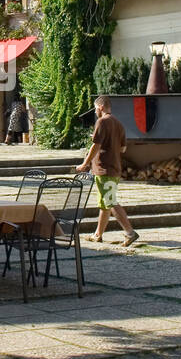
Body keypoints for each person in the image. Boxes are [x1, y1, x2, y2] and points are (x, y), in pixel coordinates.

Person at [76, 95, 139, 247]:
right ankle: (98, 234)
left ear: (101, 107)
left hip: (105, 169)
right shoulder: (118, 124)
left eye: (96, 108)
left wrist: (85, 163)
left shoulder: (102, 122)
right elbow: (123, 148)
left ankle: (130, 232)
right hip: (114, 168)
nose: (95, 111)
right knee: (105, 203)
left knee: (110, 201)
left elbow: (95, 145)